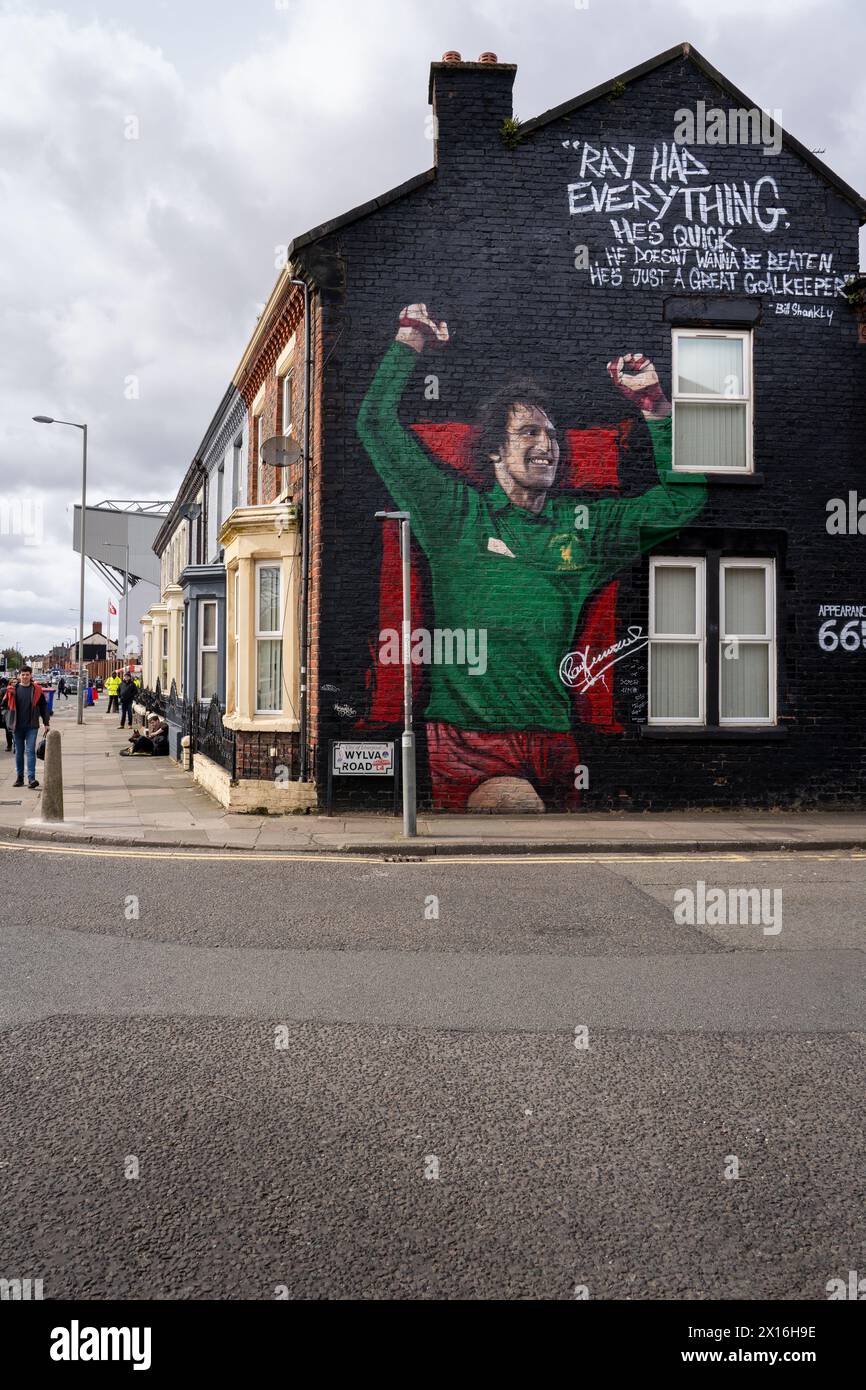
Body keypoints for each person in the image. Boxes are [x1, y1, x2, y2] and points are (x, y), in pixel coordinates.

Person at [357, 303, 707, 811]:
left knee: (543, 870)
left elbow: (684, 500)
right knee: (519, 813)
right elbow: (374, 423)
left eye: (551, 435)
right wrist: (409, 340)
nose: (547, 444)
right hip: (471, 740)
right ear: (495, 450)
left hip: (556, 738)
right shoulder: (455, 514)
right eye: (528, 433)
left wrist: (655, 407)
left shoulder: (585, 526)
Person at [4, 666, 51, 789]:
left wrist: (46, 723)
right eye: (23, 674)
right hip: (17, 727)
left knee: (30, 751)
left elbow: (43, 707)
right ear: (19, 676)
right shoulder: (12, 690)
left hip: (32, 726)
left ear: (31, 676)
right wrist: (7, 717)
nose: (25, 677)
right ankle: (20, 778)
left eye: (27, 674)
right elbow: (3, 706)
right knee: (19, 752)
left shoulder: (36, 690)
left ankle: (31, 779)